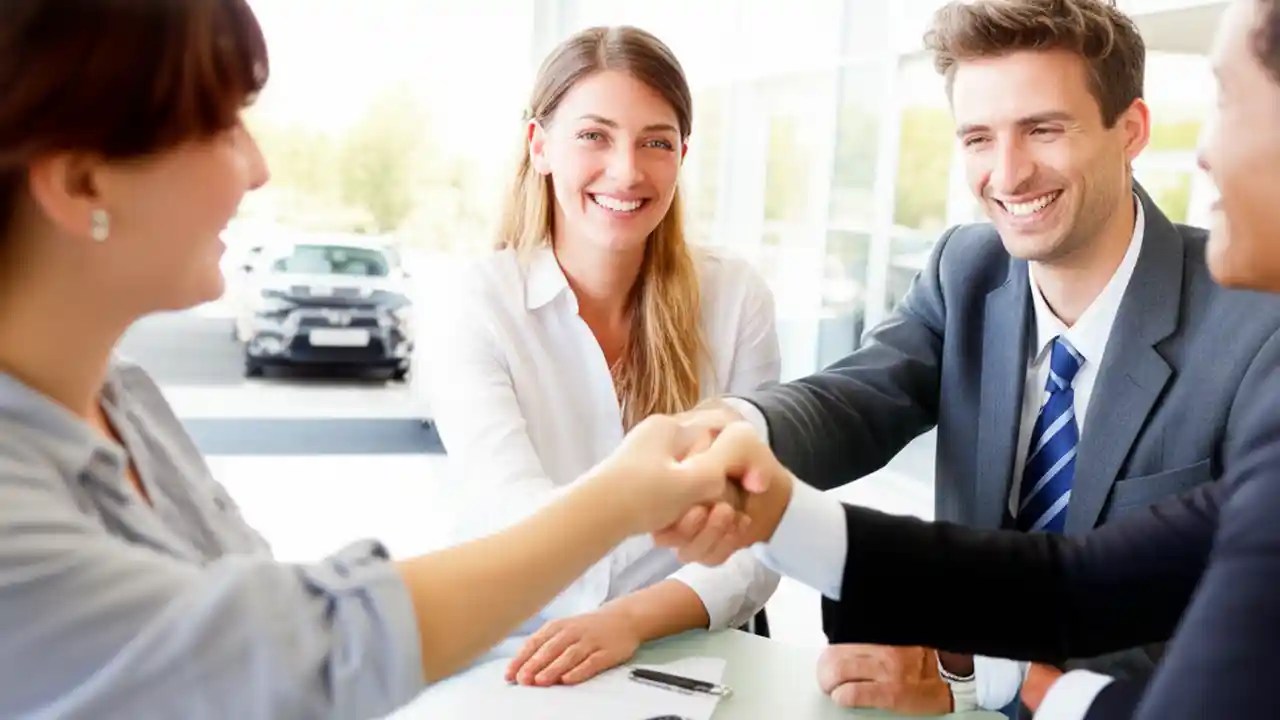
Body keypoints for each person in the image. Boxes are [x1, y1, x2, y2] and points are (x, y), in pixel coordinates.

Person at [0, 3, 756, 717]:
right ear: (81, 181)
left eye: (656, 141)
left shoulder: (126, 400)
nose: (258, 169)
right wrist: (621, 498)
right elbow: (294, 657)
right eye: (223, 126)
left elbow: (266, 616)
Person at [658, 4, 1280, 718]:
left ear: (1132, 130)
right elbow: (854, 398)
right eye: (979, 138)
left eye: (1044, 129)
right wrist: (730, 436)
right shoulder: (967, 266)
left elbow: (1199, 613)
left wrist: (969, 671)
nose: (1008, 174)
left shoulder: (1257, 326)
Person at [427, 25, 782, 688]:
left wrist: (627, 622)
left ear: (682, 155)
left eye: (656, 142)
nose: (627, 170)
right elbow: (511, 514)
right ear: (540, 146)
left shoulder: (736, 298)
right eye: (594, 135)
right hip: (513, 653)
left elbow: (757, 533)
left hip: (679, 654)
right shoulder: (476, 303)